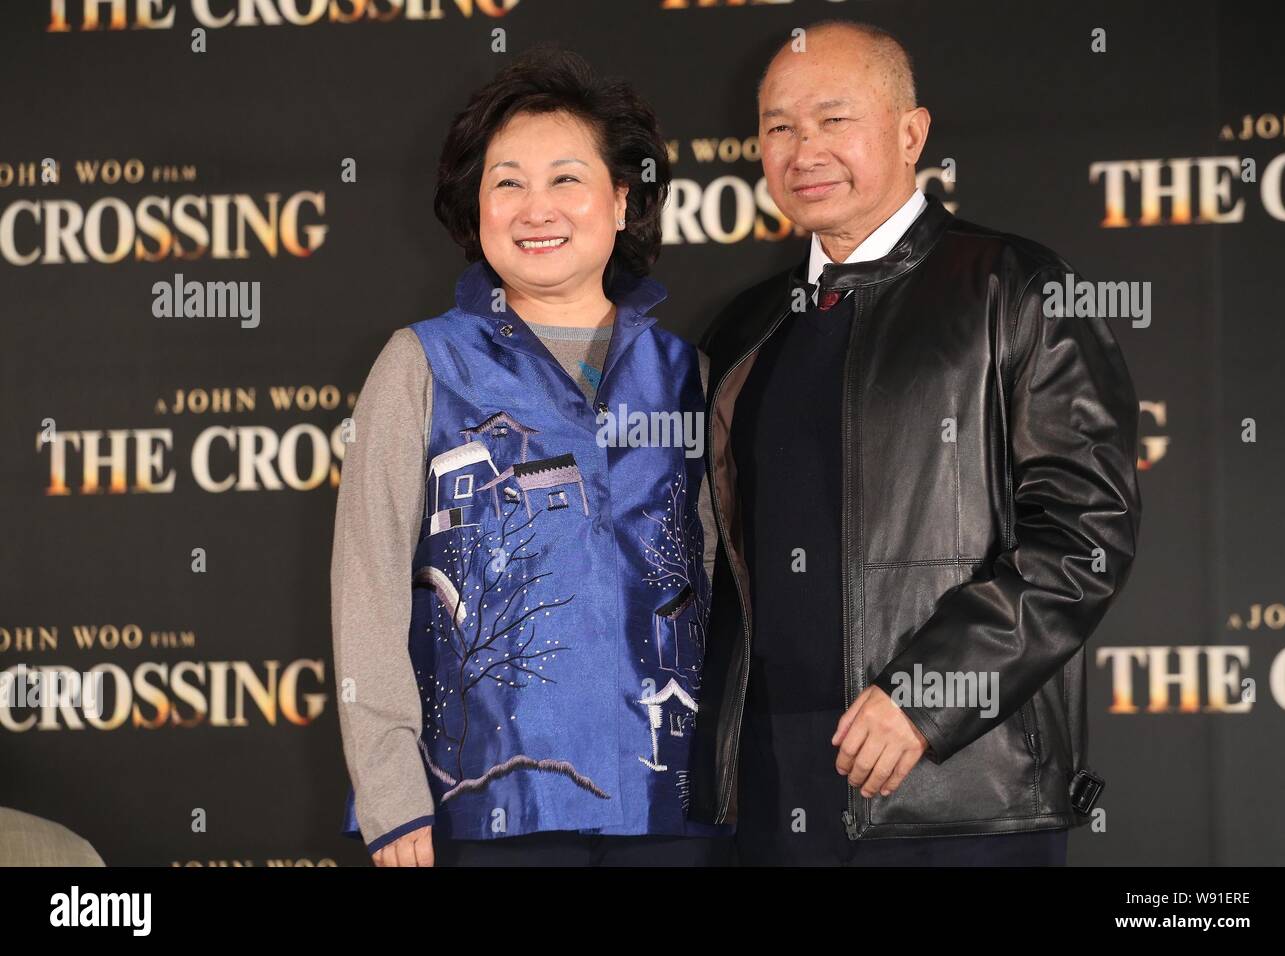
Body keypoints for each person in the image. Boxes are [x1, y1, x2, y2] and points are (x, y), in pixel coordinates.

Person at [689, 20, 1142, 865]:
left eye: (834, 119)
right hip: (770, 791)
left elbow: (1084, 533)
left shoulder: (1015, 288)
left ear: (911, 132)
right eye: (779, 126)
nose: (803, 149)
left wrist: (928, 698)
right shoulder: (747, 327)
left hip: (956, 787)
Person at [331, 47, 727, 866]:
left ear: (621, 201)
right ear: (474, 210)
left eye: (566, 179)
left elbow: (721, 580)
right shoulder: (422, 364)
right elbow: (366, 582)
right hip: (486, 805)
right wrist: (391, 792)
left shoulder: (689, 373)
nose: (535, 207)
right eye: (507, 182)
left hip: (670, 801)